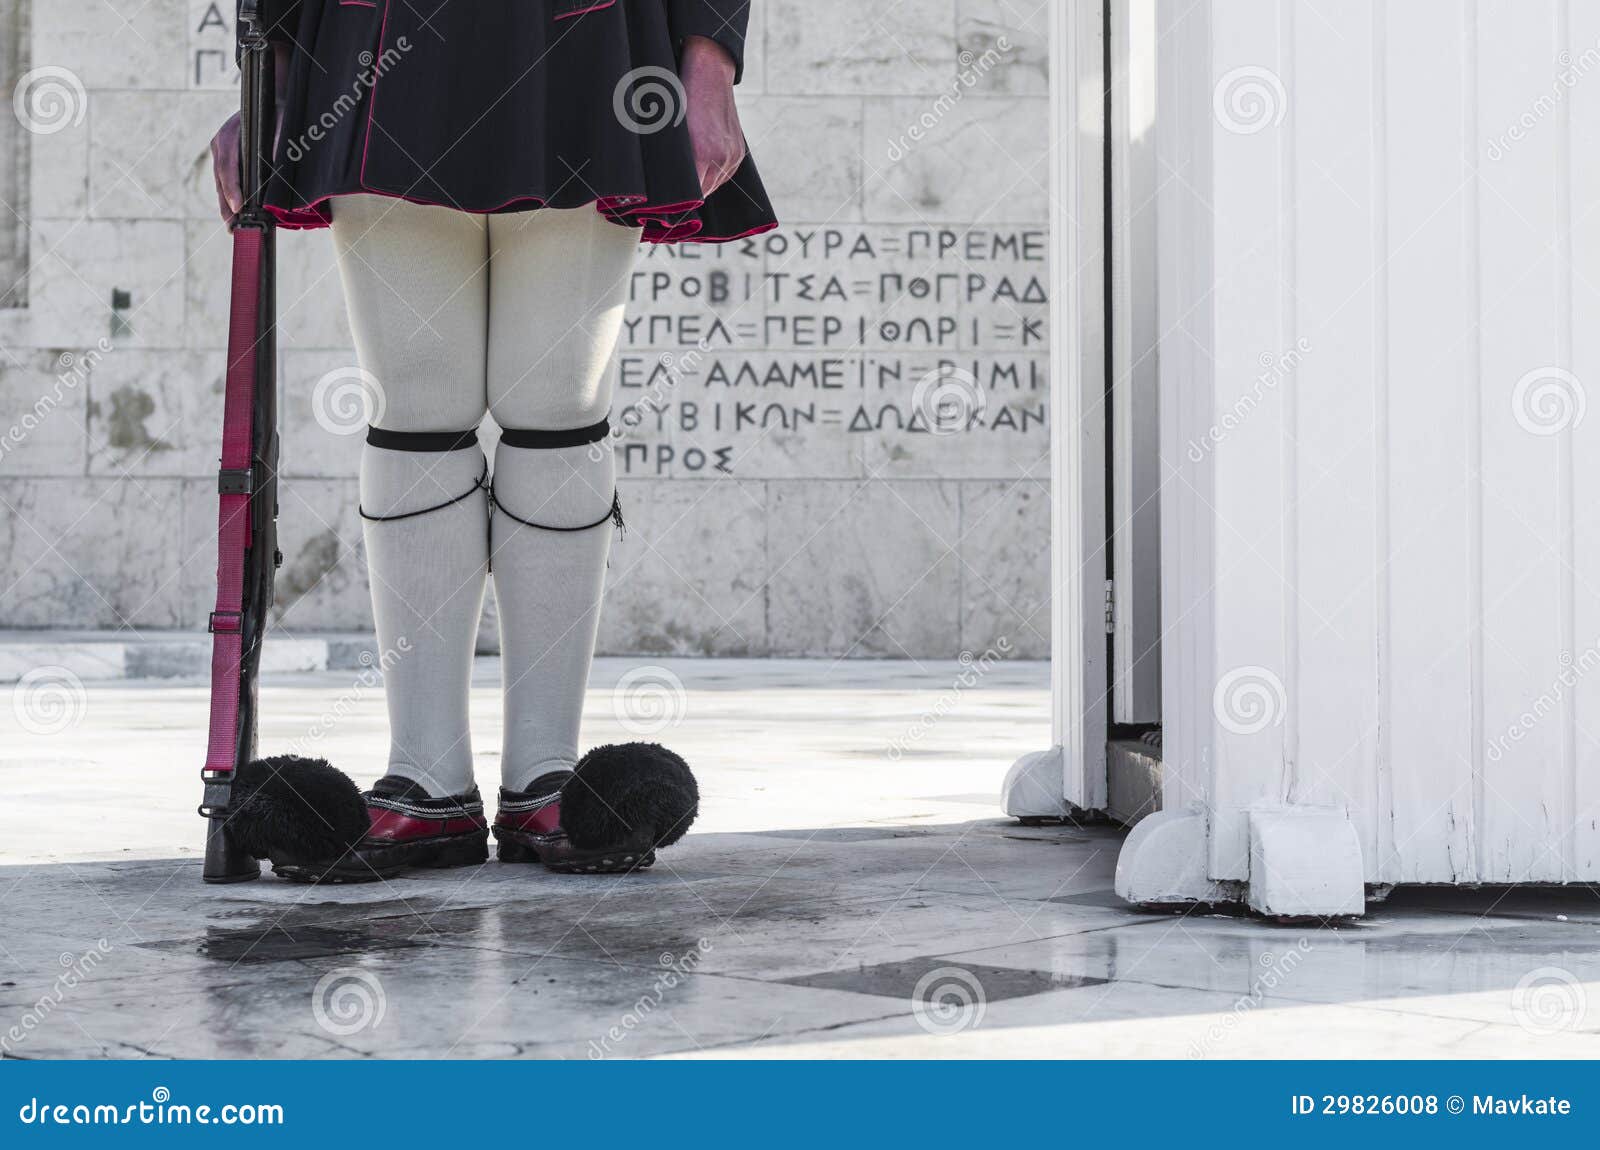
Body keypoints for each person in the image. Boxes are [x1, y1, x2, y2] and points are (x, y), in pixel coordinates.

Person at [210, 0, 776, 878]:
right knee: (418, 402)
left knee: (554, 397)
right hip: (374, 39)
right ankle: (427, 781)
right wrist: (271, 71)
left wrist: (709, 61)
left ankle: (546, 779)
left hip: (585, 38)